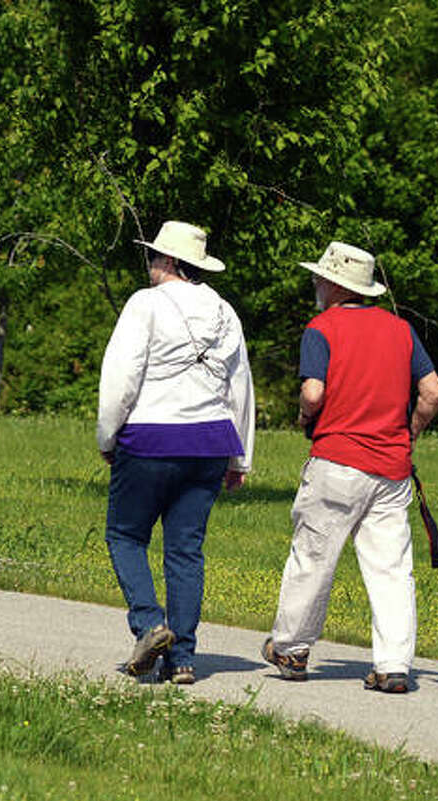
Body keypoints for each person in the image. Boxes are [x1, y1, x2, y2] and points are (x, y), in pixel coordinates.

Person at [263, 241, 438, 694]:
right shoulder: (400, 330)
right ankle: (393, 665)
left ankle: (291, 648)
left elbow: (312, 394)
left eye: (319, 278)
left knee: (314, 557)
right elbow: (434, 393)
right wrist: (410, 434)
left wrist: (307, 418)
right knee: (391, 568)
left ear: (332, 284)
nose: (315, 284)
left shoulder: (322, 328)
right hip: (391, 468)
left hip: (338, 460)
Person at [97, 221, 254, 685]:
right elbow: (240, 386)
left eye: (152, 258)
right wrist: (239, 457)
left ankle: (150, 624)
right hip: (209, 441)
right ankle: (182, 658)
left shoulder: (145, 304)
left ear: (167, 262)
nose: (149, 266)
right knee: (185, 551)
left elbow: (122, 376)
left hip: (150, 436)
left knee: (125, 535)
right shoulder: (225, 311)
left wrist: (108, 436)